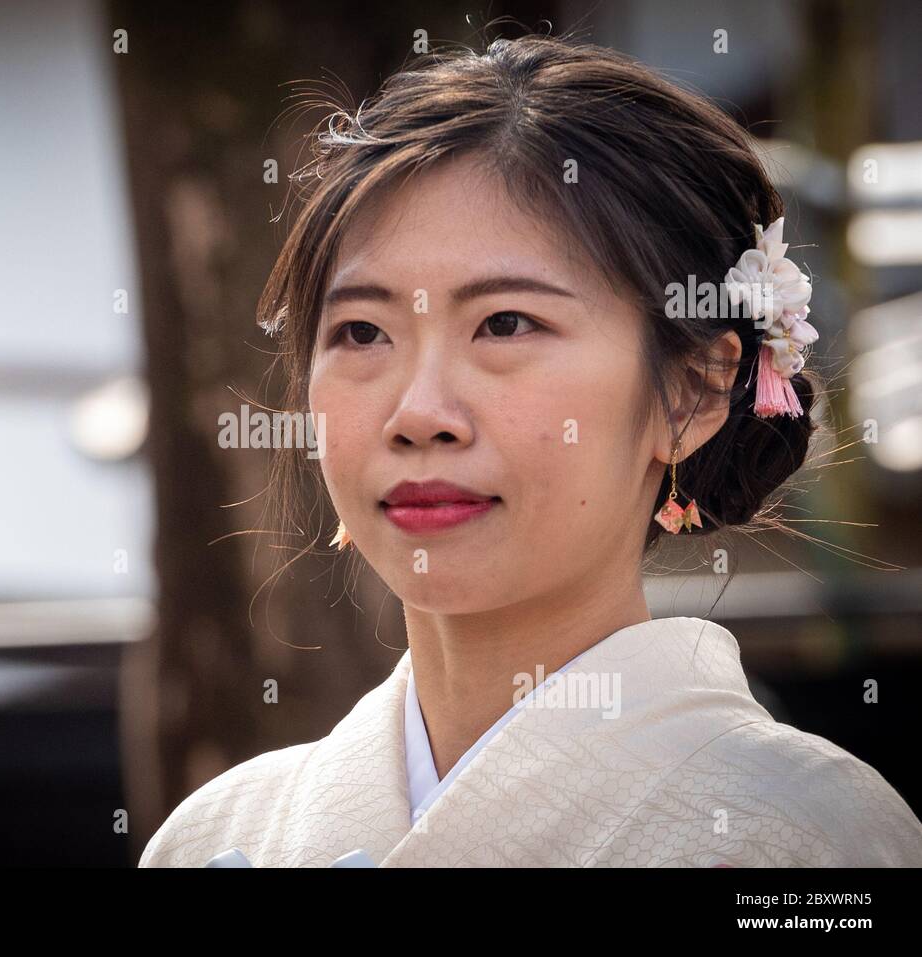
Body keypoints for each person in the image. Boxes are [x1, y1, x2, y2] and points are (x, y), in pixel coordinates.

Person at [138, 34, 922, 867]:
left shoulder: (807, 836)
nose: (418, 413)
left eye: (506, 323)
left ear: (691, 391)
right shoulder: (215, 837)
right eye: (361, 331)